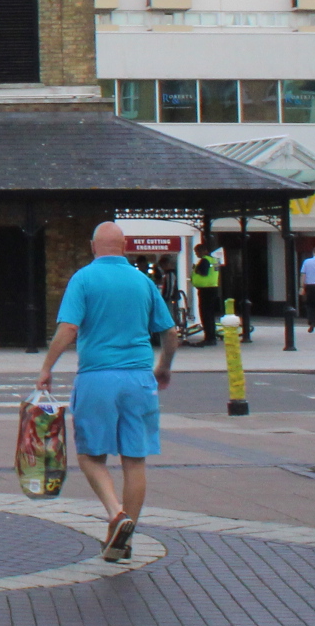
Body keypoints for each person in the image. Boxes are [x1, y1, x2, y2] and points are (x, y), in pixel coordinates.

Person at [35, 220, 179, 563]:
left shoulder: (83, 278)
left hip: (98, 377)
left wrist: (47, 367)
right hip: (139, 378)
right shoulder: (143, 282)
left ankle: (116, 514)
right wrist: (164, 366)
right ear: (125, 246)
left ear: (92, 246)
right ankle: (123, 542)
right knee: (135, 458)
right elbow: (170, 332)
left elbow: (69, 328)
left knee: (90, 455)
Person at [187, 244, 225, 346]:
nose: (196, 254)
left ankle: (209, 338)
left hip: (206, 290)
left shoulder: (205, 260)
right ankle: (211, 337)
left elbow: (203, 272)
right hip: (212, 288)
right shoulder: (213, 260)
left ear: (203, 251)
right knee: (210, 315)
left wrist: (196, 269)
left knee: (206, 314)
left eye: (197, 252)